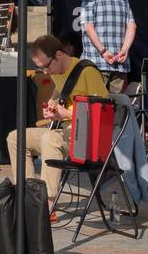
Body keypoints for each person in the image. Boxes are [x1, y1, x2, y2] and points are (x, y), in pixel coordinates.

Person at [7, 34, 107, 217]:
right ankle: (29, 197)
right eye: (40, 68)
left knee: (50, 138)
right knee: (15, 137)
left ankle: (45, 205)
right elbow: (60, 91)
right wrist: (52, 105)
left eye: (46, 66)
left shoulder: (88, 72)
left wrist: (67, 114)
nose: (45, 72)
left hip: (87, 138)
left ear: (60, 55)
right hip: (64, 132)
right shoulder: (57, 71)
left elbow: (104, 113)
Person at [80, 0, 136, 93]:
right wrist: (124, 50)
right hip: (120, 64)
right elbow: (132, 26)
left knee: (97, 105)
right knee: (116, 105)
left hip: (96, 63)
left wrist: (103, 51)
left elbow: (88, 27)